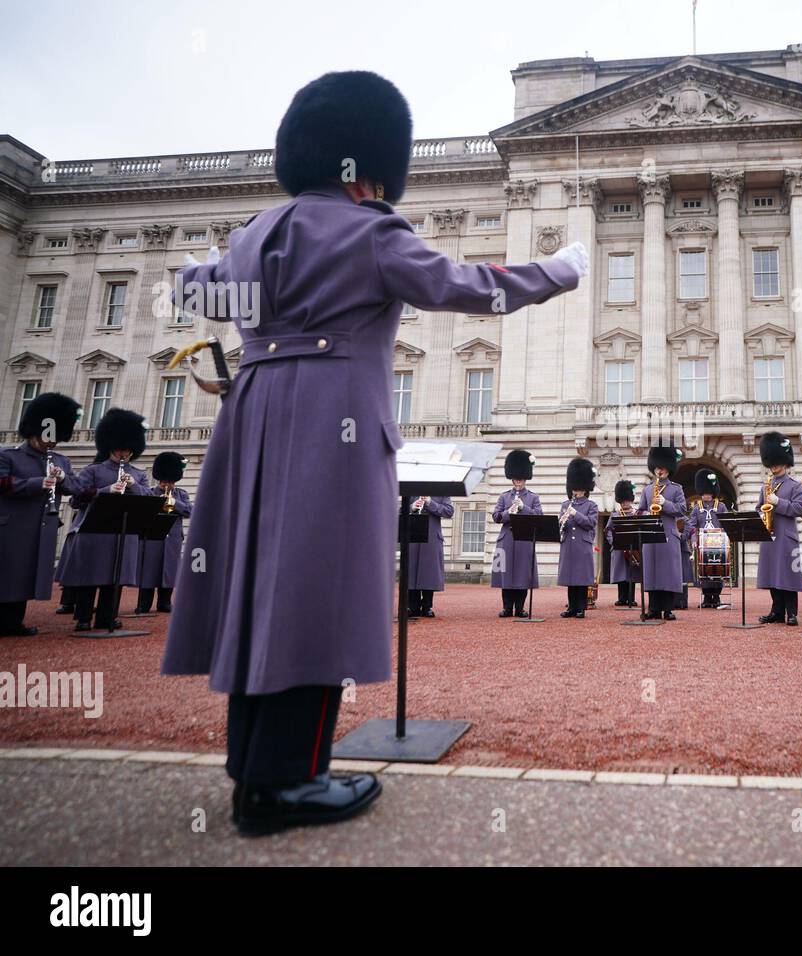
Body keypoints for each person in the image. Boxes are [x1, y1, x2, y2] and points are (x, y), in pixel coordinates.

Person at [159, 71, 586, 836]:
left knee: (261, 590)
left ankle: (254, 769)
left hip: (251, 420)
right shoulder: (371, 231)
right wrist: (559, 270)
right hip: (333, 421)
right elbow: (466, 285)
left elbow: (193, 292)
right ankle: (288, 784)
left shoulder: (256, 233)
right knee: (314, 593)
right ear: (370, 168)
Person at [60, 409, 150, 632]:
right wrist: (105, 490)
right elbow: (76, 498)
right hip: (94, 532)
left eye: (128, 449)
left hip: (123, 532)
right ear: (111, 447)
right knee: (89, 578)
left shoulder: (138, 475)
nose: (124, 453)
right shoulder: (93, 470)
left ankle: (106, 617)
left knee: (115, 580)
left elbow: (150, 499)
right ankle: (82, 618)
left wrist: (133, 486)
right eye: (120, 448)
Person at [0, 393, 82, 636]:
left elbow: (77, 490)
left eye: (56, 440)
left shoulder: (60, 462)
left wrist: (63, 478)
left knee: (25, 576)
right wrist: (39, 483)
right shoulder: (8, 455)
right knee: (7, 574)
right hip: (11, 527)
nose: (51, 444)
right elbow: (3, 483)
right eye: (48, 438)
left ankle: (13, 622)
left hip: (41, 528)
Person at [756, 431, 802, 626]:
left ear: (785, 462)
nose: (774, 466)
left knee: (788, 576)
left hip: (787, 536)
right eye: (772, 462)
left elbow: (800, 508)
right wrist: (761, 513)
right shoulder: (765, 486)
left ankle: (792, 613)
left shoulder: (794, 485)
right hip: (770, 535)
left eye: (777, 462)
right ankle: (776, 611)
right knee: (772, 574)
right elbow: (758, 506)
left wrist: (779, 502)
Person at [135, 452, 192, 613]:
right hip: (152, 537)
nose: (167, 484)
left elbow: (190, 511)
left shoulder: (181, 494)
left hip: (172, 538)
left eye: (170, 481)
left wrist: (173, 503)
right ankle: (144, 603)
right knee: (149, 569)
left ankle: (164, 602)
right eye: (165, 481)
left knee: (169, 570)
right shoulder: (151, 493)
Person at [637, 445, 686, 621]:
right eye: (658, 467)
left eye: (663, 467)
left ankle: (668, 608)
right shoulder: (647, 490)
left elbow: (682, 510)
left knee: (668, 572)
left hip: (668, 535)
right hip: (651, 534)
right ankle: (653, 608)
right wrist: (647, 513)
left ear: (669, 468)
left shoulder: (676, 488)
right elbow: (640, 511)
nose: (660, 470)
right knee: (651, 572)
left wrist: (665, 503)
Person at [492, 449, 543, 618]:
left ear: (525, 478)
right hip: (506, 540)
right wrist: (509, 511)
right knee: (506, 576)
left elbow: (539, 516)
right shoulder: (504, 496)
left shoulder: (533, 497)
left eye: (521, 477)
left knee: (522, 576)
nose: (518, 480)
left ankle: (520, 608)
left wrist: (523, 507)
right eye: (516, 477)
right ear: (512, 478)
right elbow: (496, 517)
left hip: (524, 540)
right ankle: (507, 608)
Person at [557, 458, 599, 619]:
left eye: (579, 489)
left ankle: (581, 608)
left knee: (581, 579)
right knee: (570, 578)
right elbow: (561, 525)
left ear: (585, 488)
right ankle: (572, 607)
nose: (576, 491)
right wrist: (563, 520)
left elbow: (591, 523)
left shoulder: (591, 505)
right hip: (568, 544)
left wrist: (575, 514)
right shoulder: (565, 504)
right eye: (574, 488)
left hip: (582, 545)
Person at [685, 471, 728, 608]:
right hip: (703, 543)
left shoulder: (721, 507)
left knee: (718, 570)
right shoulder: (697, 508)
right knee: (704, 571)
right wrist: (693, 538)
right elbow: (691, 525)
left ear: (712, 492)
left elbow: (727, 523)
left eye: (708, 492)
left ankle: (716, 597)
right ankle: (707, 597)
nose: (705, 495)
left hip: (718, 542)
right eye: (703, 493)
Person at [407, 495, 453, 618]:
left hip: (432, 536)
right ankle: (412, 606)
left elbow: (449, 511)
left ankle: (427, 606)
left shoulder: (442, 493)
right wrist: (412, 507)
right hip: (414, 534)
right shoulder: (412, 491)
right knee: (412, 570)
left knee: (429, 572)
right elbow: (402, 510)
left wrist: (430, 502)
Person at [607, 480, 641, 607]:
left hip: (633, 548)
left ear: (630, 500)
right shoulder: (615, 514)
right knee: (621, 574)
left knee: (632, 574)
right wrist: (613, 542)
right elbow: (608, 530)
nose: (624, 503)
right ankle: (621, 598)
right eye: (622, 501)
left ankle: (631, 598)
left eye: (626, 501)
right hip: (619, 548)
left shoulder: (636, 513)